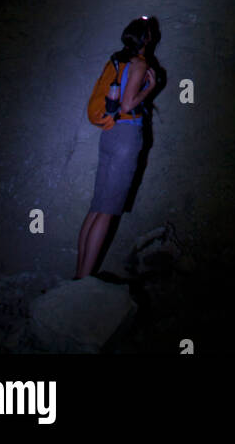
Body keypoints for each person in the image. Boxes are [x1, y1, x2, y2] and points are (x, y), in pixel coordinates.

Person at [75, 15, 160, 279]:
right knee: (108, 212)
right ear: (146, 39)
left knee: (96, 207)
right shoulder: (139, 63)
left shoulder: (118, 59)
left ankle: (79, 276)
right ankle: (84, 281)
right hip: (126, 136)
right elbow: (127, 104)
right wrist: (152, 87)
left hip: (109, 134)